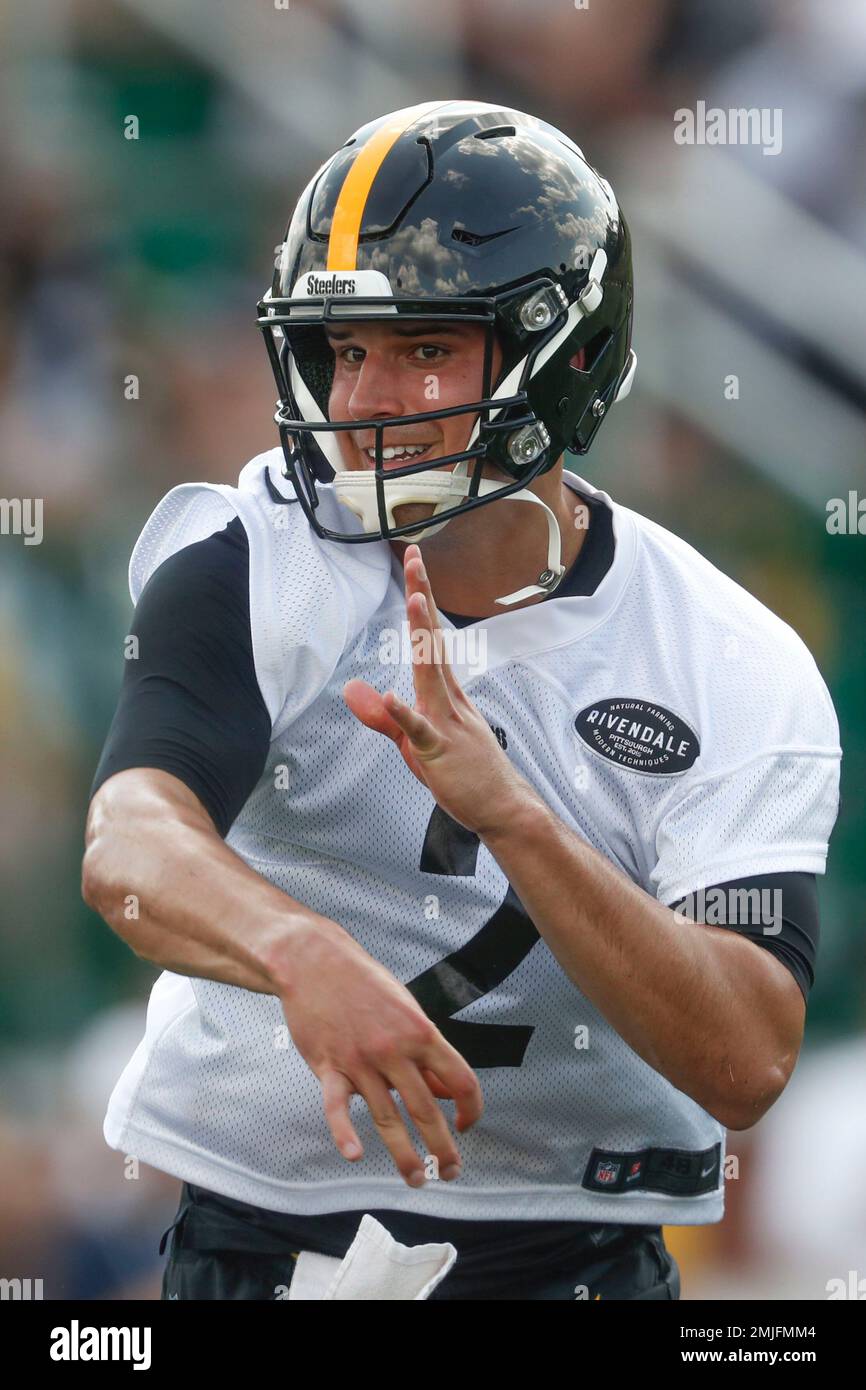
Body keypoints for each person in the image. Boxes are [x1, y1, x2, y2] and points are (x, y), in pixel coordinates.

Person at [83, 100, 841, 1301]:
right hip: (258, 1235)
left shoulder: (724, 655)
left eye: (423, 348)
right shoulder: (252, 552)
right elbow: (129, 841)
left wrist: (518, 820)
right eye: (342, 350)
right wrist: (299, 950)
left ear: (564, 353)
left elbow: (745, 1056)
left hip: (572, 1255)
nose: (365, 400)